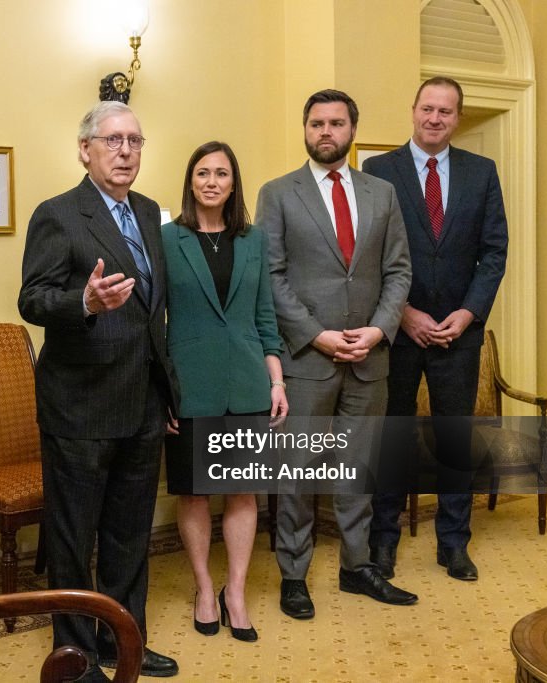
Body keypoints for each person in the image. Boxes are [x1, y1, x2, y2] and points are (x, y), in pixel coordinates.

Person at [18, 100, 178, 681]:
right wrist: (83, 302)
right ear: (85, 149)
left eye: (134, 140)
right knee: (73, 539)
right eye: (113, 140)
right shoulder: (58, 214)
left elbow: (152, 313)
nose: (125, 151)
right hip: (80, 405)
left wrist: (168, 395)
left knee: (129, 537)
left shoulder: (150, 211)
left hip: (142, 404)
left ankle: (121, 642)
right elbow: (33, 300)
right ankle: (77, 656)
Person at [255, 89, 417, 621]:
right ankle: (293, 575)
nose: (326, 131)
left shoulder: (382, 193)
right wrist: (316, 334)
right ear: (305, 130)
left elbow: (398, 270)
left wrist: (379, 329)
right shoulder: (278, 193)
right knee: (296, 473)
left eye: (337, 123)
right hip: (307, 360)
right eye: (317, 123)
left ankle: (357, 566)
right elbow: (271, 276)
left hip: (369, 358)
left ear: (352, 130)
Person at [364, 76, 508, 582]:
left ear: (457, 118)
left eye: (445, 111)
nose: (434, 118)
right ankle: (383, 542)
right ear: (413, 110)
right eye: (428, 108)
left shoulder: (481, 172)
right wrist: (402, 312)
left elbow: (494, 253)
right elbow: (370, 255)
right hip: (398, 331)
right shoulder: (379, 171)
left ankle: (454, 544)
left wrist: (468, 314)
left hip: (457, 334)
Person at [161, 141, 287, 642]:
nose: (211, 181)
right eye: (202, 173)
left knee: (241, 491)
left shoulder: (254, 240)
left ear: (234, 184)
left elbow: (265, 318)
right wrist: (161, 389)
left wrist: (277, 380)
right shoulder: (166, 238)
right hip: (189, 386)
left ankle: (235, 591)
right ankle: (203, 589)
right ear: (190, 181)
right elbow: (154, 320)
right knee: (193, 492)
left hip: (248, 383)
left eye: (221, 173)